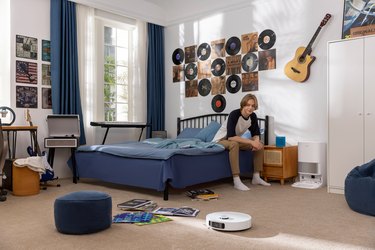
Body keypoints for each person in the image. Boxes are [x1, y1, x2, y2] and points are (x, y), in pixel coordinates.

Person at [212, 93, 270, 191]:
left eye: (253, 106)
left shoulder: (253, 116)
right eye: (248, 105)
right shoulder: (234, 114)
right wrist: (251, 142)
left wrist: (256, 142)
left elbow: (256, 134)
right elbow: (231, 137)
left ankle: (256, 176)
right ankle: (236, 180)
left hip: (233, 140)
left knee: (260, 144)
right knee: (234, 144)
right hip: (220, 140)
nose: (250, 108)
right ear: (243, 105)